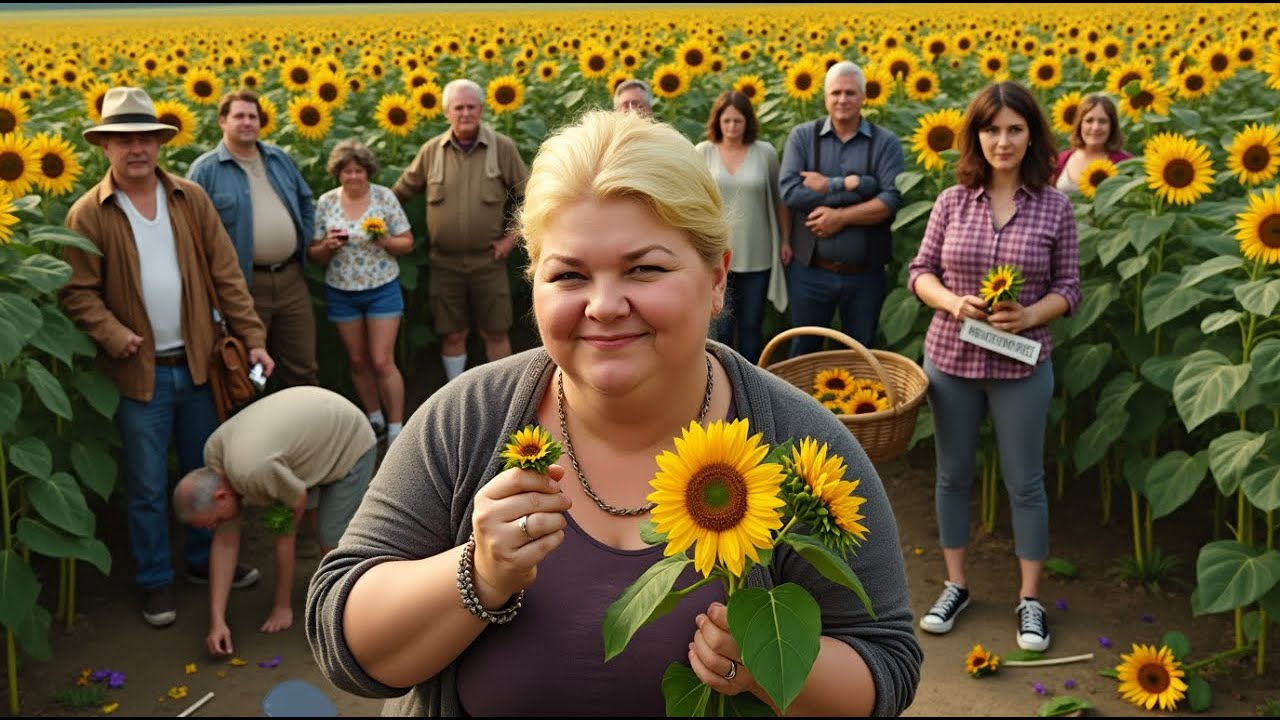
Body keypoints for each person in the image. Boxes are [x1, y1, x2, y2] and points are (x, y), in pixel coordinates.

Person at [307, 109, 921, 716]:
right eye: (569, 274)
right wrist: (476, 574)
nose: (603, 305)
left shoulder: (800, 443)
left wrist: (770, 663)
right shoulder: (469, 419)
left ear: (716, 278)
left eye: (644, 269)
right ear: (534, 286)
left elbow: (886, 663)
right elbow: (345, 642)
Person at [60, 86, 273, 628]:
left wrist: (253, 338)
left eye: (145, 138)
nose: (137, 148)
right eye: (124, 139)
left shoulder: (187, 198)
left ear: (159, 143)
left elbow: (226, 273)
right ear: (105, 147)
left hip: (200, 366)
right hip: (140, 374)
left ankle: (203, 562)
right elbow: (77, 291)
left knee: (207, 473)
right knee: (149, 485)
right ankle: (156, 581)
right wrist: (113, 334)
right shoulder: (88, 213)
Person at [906, 81, 1080, 652]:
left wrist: (1030, 313)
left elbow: (1069, 288)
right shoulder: (952, 200)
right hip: (952, 358)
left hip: (1023, 366)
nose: (1002, 141)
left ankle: (1030, 600)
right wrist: (953, 301)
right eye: (991, 129)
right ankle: (956, 584)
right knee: (952, 475)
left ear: (1031, 136)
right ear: (975, 136)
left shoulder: (1055, 205)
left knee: (1024, 482)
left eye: (1014, 129)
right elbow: (921, 270)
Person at [173, 386, 377, 657]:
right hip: (309, 444)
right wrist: (217, 622)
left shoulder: (252, 473)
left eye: (212, 521)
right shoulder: (214, 455)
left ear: (221, 496)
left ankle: (358, 618)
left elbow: (290, 518)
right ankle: (337, 589)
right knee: (315, 524)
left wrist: (282, 606)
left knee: (330, 537)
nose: (214, 527)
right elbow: (224, 543)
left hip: (349, 439)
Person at [392, 78, 529, 383]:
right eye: (459, 108)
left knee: (495, 330)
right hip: (444, 263)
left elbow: (530, 197)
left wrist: (511, 239)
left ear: (481, 109)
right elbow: (397, 194)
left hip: (488, 261)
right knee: (452, 333)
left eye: (471, 107)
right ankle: (453, 396)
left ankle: (503, 399)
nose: (465, 113)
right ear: (447, 113)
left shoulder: (502, 148)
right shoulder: (431, 152)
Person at [187, 89, 318, 388]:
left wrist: (303, 242)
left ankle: (305, 429)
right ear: (222, 121)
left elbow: (305, 200)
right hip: (244, 288)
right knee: (248, 372)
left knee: (302, 366)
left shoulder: (278, 158)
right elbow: (192, 232)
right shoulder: (205, 171)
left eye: (252, 116)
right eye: (239, 116)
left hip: (291, 280)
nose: (247, 122)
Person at [780, 61, 905, 355]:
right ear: (825, 97)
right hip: (810, 272)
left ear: (864, 97)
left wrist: (837, 213)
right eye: (836, 93)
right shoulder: (802, 137)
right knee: (804, 350)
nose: (842, 100)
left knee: (860, 352)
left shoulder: (885, 142)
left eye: (850, 93)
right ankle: (799, 404)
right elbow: (790, 192)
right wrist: (855, 185)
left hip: (865, 273)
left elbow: (890, 200)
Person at [310, 139, 414, 445]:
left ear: (368, 172)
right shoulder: (327, 203)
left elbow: (406, 242)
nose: (354, 176)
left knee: (382, 360)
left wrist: (384, 240)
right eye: (347, 171)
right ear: (338, 174)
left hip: (382, 288)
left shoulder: (383, 198)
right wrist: (326, 247)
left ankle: (397, 427)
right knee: (357, 360)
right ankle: (374, 418)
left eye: (359, 170)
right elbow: (314, 252)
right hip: (342, 290)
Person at [695, 89, 790, 364]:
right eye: (727, 121)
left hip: (758, 254)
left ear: (748, 122)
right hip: (716, 252)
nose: (733, 127)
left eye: (738, 121)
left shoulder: (765, 153)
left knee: (751, 325)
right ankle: (719, 382)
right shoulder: (703, 152)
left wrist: (785, 240)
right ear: (717, 122)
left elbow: (779, 200)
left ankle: (751, 385)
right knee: (718, 326)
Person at [1052, 93, 1132, 193]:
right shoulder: (1061, 161)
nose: (1095, 127)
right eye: (1089, 121)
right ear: (1080, 124)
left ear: (1112, 126)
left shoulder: (1125, 163)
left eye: (1102, 121)